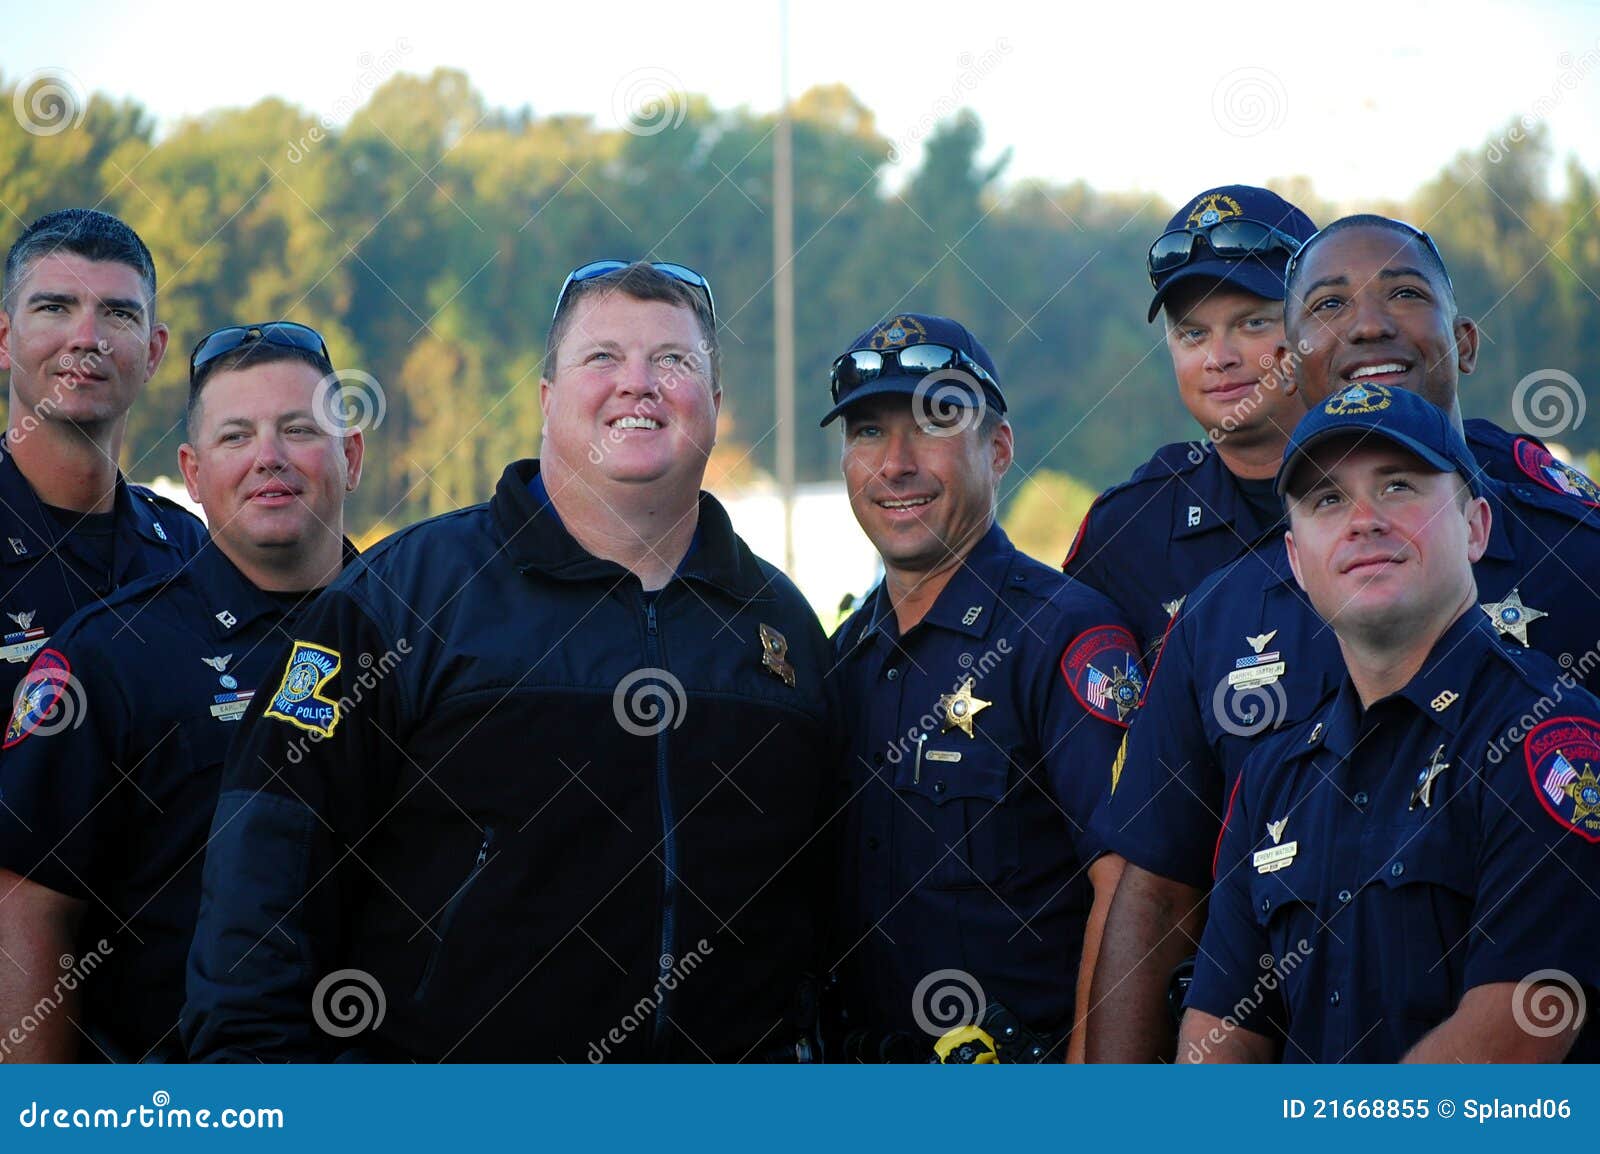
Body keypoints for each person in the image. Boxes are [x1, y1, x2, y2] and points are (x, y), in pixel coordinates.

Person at [181, 261, 834, 1063]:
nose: (639, 385)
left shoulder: (784, 633)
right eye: (602, 358)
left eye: (674, 361)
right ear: (546, 400)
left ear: (716, 407)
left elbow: (833, 912)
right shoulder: (397, 602)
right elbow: (262, 881)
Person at [1087, 216, 1600, 1062]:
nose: (1367, 324)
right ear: (1291, 361)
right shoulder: (1221, 624)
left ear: (1465, 341)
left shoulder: (1579, 565)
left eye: (1403, 292)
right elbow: (1162, 897)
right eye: (1329, 304)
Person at [1180, 384, 1599, 1063]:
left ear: (1475, 528)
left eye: (1398, 485)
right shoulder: (1272, 780)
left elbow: (1515, 1039)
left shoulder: (1551, 741)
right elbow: (1219, 1046)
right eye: (1327, 499)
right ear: (1296, 561)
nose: (1362, 520)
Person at [0, 322, 361, 1062]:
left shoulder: (432, 635)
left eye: (298, 429)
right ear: (192, 474)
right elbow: (27, 905)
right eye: (236, 437)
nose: (270, 458)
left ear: (350, 456)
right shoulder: (109, 657)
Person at [824, 313, 1143, 1062]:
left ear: (998, 449)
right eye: (868, 432)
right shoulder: (839, 659)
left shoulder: (1065, 638)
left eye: (932, 425)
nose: (894, 464)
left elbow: (1133, 891)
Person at [1064, 186, 1316, 660]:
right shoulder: (1127, 534)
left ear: (1317, 324)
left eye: (1252, 324)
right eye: (1193, 334)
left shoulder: (1428, 482)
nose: (1218, 359)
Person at [0, 209, 206, 708]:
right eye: (54, 307)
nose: (88, 339)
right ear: (5, 339)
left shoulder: (189, 553)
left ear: (154, 353)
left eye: (119, 314)